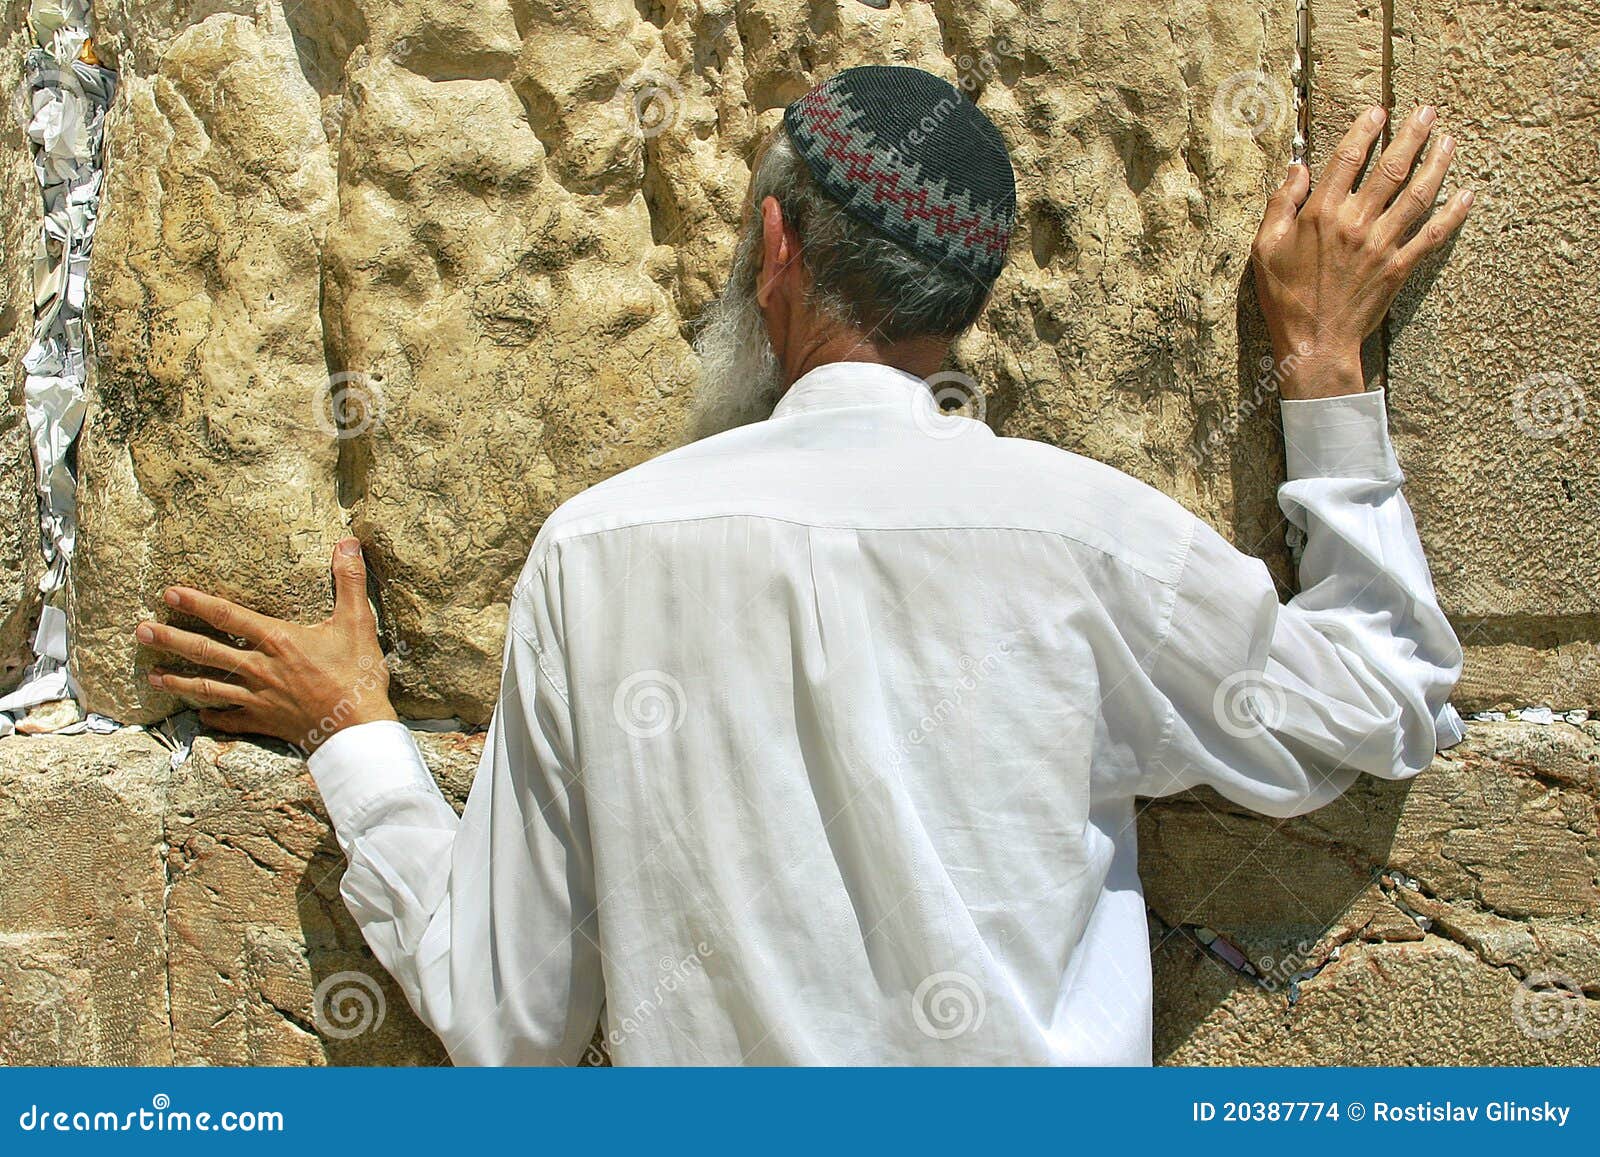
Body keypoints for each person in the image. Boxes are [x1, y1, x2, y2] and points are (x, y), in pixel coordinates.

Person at [135, 66, 1471, 1064]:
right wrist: (1320, 366)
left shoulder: (598, 558)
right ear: (971, 297)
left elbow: (510, 1020)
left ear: (775, 247)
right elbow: (1379, 700)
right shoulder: (1084, 538)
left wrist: (352, 734)